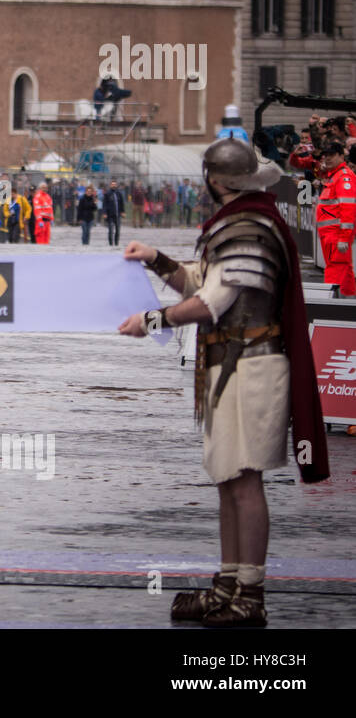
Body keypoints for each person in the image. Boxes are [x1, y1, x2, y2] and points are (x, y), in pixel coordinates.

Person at [119, 138, 329, 626]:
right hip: (234, 363)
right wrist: (155, 259)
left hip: (251, 365)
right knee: (229, 478)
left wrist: (150, 321)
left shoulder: (249, 227)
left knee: (244, 479)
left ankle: (248, 594)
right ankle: (229, 583)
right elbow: (202, 281)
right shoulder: (243, 221)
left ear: (216, 180)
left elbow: (211, 302)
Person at [315, 141, 356, 297]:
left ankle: (327, 307)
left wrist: (344, 237)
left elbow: (348, 208)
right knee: (344, 269)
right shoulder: (335, 176)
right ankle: (348, 306)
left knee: (335, 268)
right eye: (326, 155)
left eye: (332, 155)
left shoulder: (344, 177)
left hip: (337, 234)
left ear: (341, 156)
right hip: (332, 235)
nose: (328, 158)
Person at [101, 180, 124, 247]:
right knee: (111, 230)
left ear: (116, 185)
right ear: (110, 185)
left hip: (118, 215)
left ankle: (116, 243)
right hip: (110, 215)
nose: (114, 185)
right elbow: (104, 204)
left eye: (115, 184)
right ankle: (111, 243)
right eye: (112, 184)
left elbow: (121, 204)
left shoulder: (119, 193)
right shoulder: (107, 194)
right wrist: (104, 213)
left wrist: (122, 212)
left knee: (118, 230)